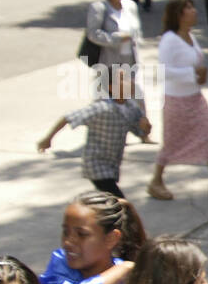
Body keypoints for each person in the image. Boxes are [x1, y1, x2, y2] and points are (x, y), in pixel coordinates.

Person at [147, 0, 208, 201]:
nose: (194, 11)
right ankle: (156, 180)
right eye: (188, 8)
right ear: (179, 15)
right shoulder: (169, 40)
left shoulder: (190, 36)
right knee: (171, 142)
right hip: (177, 101)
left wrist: (198, 75)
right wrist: (191, 73)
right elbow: (163, 71)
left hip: (195, 97)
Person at [38, 66, 151, 198]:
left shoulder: (131, 107)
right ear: (110, 87)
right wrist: (47, 139)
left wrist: (146, 127)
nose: (130, 82)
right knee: (119, 203)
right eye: (123, 79)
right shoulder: (101, 108)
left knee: (108, 202)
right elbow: (68, 117)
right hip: (96, 166)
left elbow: (141, 132)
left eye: (128, 78)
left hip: (112, 165)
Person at [84, 0, 148, 112]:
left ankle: (142, 127)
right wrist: (117, 38)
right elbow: (93, 33)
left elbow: (137, 30)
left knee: (135, 97)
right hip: (110, 62)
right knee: (108, 101)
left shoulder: (130, 6)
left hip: (130, 59)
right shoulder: (99, 8)